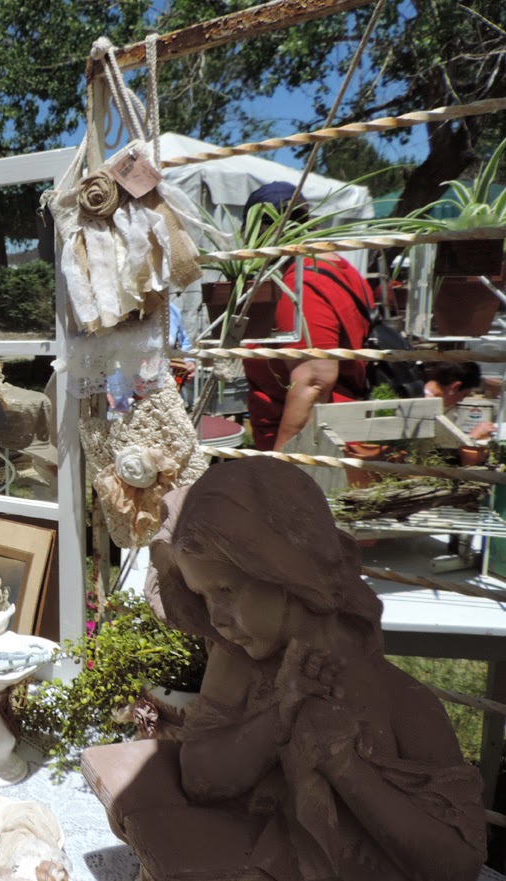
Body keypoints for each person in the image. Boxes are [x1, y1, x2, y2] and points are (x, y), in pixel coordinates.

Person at [85, 458, 486, 881]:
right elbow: (199, 777)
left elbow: (457, 864)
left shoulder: (402, 703)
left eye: (226, 590)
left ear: (290, 573)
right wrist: (277, 718)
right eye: (203, 597)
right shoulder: (237, 662)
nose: (216, 618)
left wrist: (343, 768)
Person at [241, 182, 377, 451]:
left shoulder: (300, 283)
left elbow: (313, 382)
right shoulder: (343, 270)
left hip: (321, 454)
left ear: (262, 230)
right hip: (334, 440)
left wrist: (281, 468)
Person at [424, 361, 496, 441]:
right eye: (464, 395)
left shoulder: (432, 397)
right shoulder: (424, 405)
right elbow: (432, 444)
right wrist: (473, 436)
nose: (461, 400)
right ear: (455, 387)